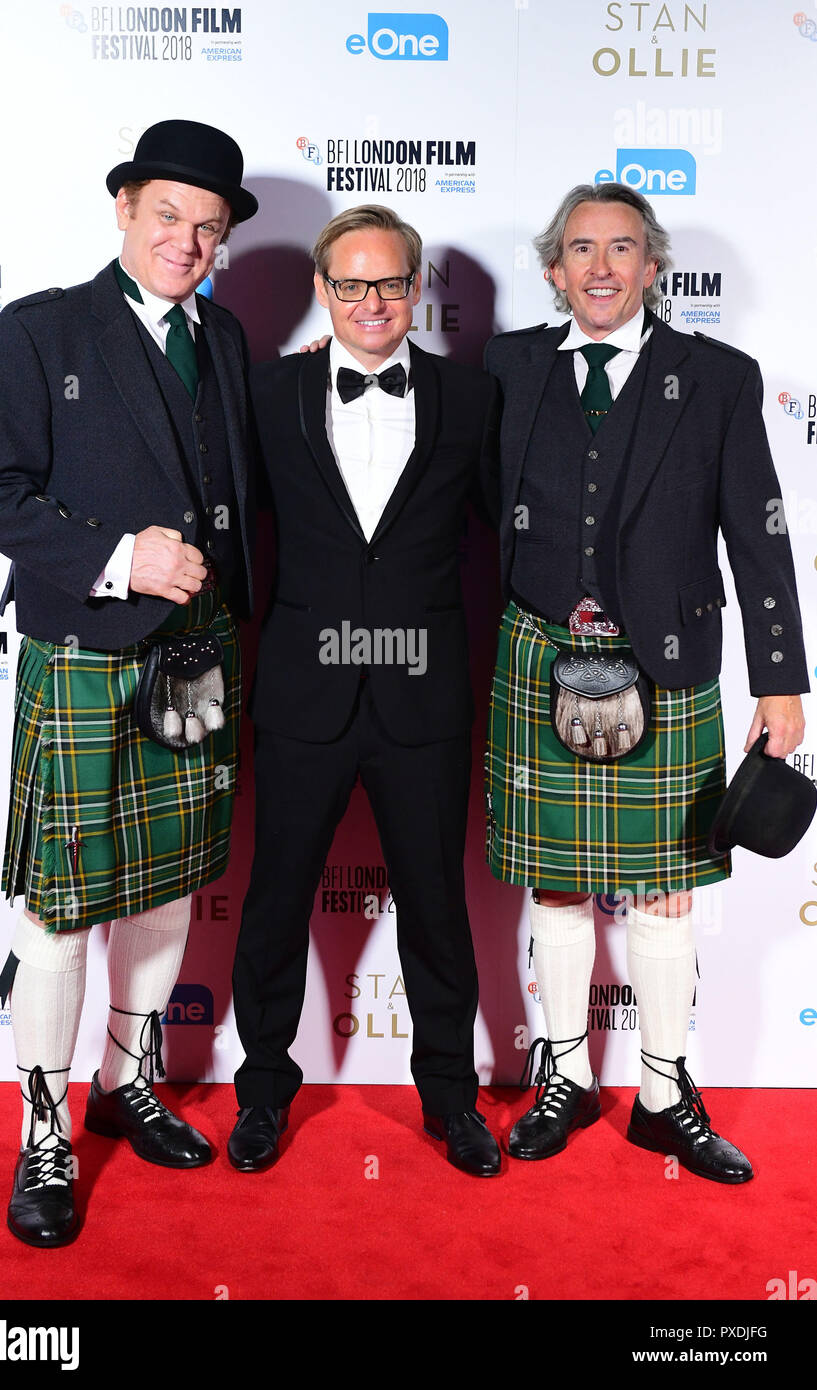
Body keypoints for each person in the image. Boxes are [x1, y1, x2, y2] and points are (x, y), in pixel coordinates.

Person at [0, 120, 258, 1245]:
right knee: (61, 907)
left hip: (200, 653)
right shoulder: (41, 329)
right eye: (168, 215)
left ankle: (125, 1082)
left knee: (169, 887)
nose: (188, 241)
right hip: (84, 651)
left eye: (209, 227)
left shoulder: (225, 338)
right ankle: (43, 1129)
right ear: (124, 207)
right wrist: (121, 557)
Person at [484, 182, 807, 1182]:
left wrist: (780, 680)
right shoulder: (504, 368)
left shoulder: (717, 378)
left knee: (666, 888)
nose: (600, 267)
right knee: (555, 880)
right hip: (538, 651)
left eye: (621, 247)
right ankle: (565, 1078)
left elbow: (757, 535)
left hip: (667, 662)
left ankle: (664, 1096)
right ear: (553, 269)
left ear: (652, 267)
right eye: (580, 249)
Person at [228, 205, 502, 1177]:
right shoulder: (269, 393)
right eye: (351, 283)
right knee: (274, 902)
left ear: (417, 287)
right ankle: (262, 1093)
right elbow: (227, 521)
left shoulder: (472, 399)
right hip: (301, 691)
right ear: (322, 289)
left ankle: (451, 1101)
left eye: (389, 282)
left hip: (423, 698)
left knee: (437, 908)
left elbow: (516, 526)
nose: (372, 301)